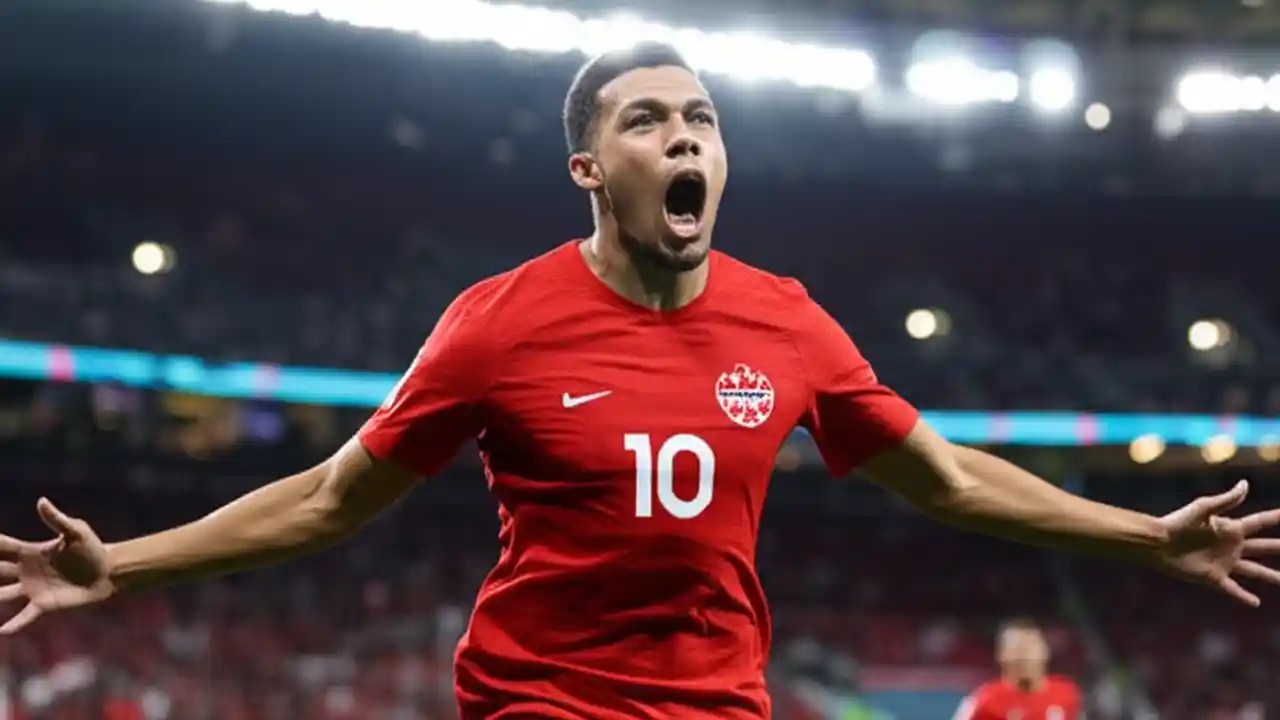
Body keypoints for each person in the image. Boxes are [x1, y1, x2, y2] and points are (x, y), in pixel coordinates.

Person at [2, 42, 1280, 720]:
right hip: (539, 701)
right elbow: (333, 501)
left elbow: (942, 479)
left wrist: (1140, 536)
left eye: (703, 120)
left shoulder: (787, 324)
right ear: (587, 168)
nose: (684, 136)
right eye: (647, 120)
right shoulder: (497, 324)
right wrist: (126, 565)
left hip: (719, 705)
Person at [953, 618, 1082, 720]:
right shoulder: (986, 699)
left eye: (1030, 646)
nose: (1024, 655)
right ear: (1001, 655)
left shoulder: (1067, 693)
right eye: (1017, 649)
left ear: (1045, 651)